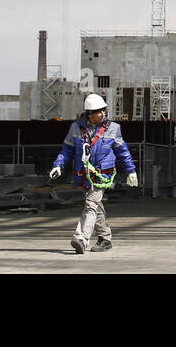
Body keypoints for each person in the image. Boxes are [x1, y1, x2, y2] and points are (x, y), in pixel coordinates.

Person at [49, 93, 137, 253]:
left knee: (91, 205)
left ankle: (81, 238)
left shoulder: (113, 128)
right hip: (84, 174)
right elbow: (67, 150)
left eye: (104, 110)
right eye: (99, 111)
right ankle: (105, 238)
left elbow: (122, 151)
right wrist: (58, 166)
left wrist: (131, 170)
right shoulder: (75, 128)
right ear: (89, 114)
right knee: (95, 205)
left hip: (102, 175)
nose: (103, 113)